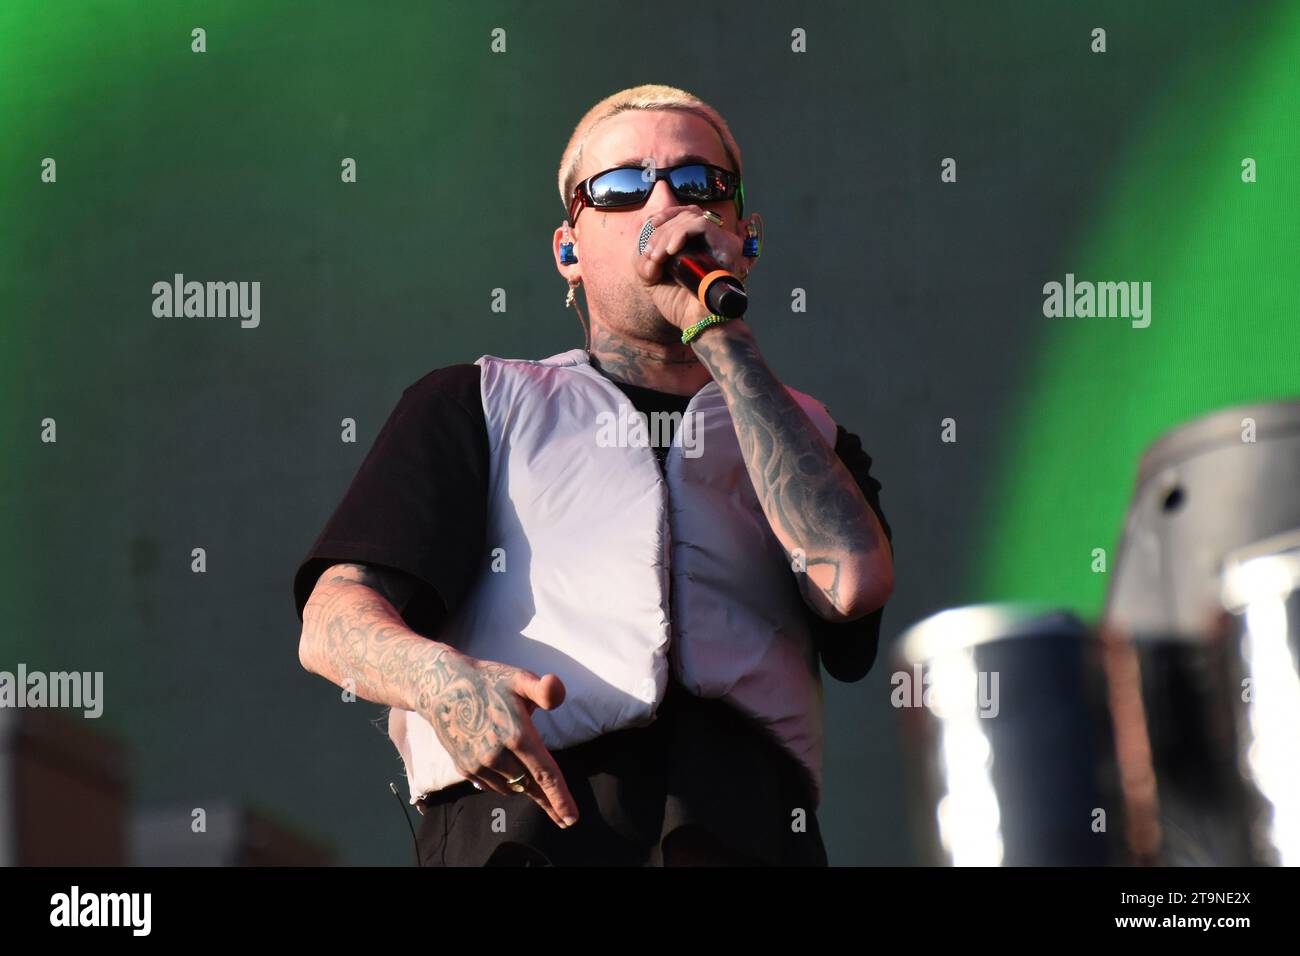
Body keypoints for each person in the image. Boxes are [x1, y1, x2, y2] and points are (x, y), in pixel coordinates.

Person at [293, 84, 894, 866]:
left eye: (699, 182)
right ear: (568, 250)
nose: (664, 201)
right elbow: (331, 619)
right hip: (527, 831)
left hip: (749, 835)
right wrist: (441, 679)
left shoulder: (810, 431)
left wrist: (720, 334)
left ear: (744, 237)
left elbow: (852, 584)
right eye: (619, 186)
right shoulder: (478, 401)